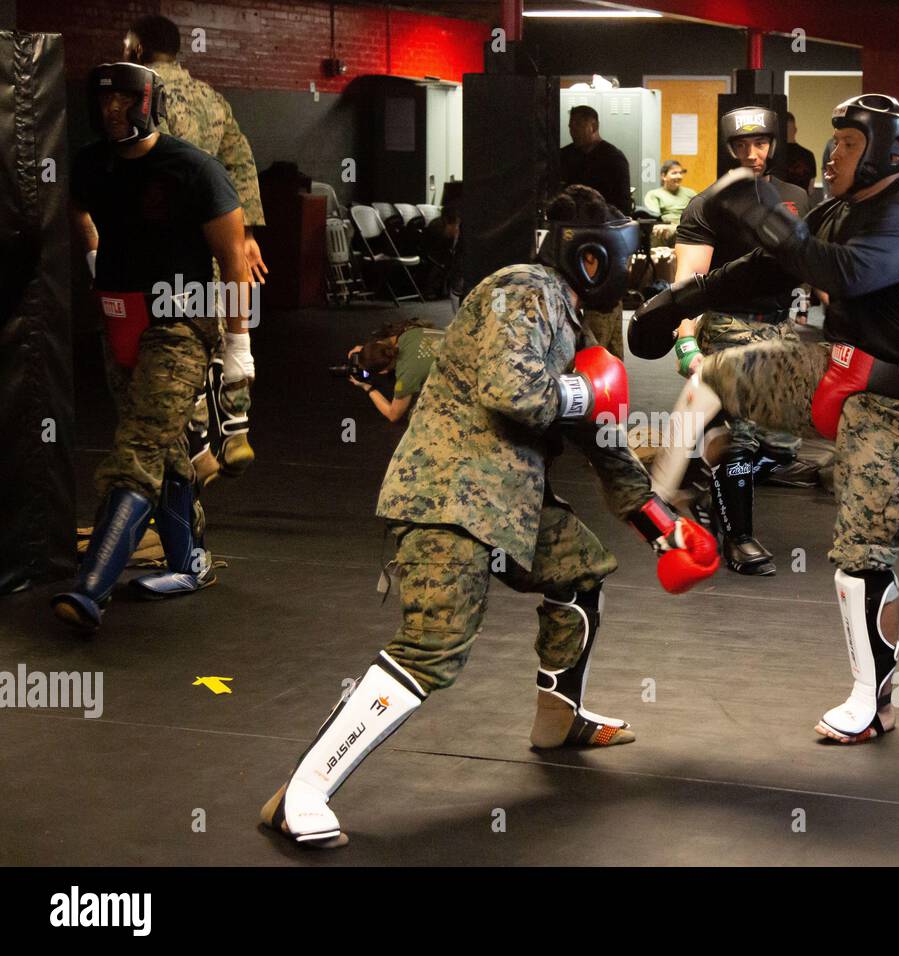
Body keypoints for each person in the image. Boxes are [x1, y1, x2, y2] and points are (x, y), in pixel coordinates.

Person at [260, 186, 719, 848]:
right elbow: (516, 392)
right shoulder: (522, 289)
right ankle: (300, 792)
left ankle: (558, 721)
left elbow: (602, 436)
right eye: (626, 258)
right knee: (432, 647)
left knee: (579, 572)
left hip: (511, 502)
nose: (633, 273)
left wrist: (661, 526)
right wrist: (587, 389)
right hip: (448, 498)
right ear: (593, 258)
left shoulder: (573, 319)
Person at [630, 94, 899, 744]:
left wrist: (759, 213)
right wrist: (677, 302)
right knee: (714, 374)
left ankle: (874, 704)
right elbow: (770, 263)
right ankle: (658, 511)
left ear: (887, 154)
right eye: (833, 140)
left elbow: (838, 270)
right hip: (838, 371)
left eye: (848, 143)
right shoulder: (840, 208)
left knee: (859, 557)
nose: (832, 153)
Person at [52, 62, 253, 629]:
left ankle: (91, 589)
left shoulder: (193, 169)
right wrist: (95, 257)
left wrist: (239, 345)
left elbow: (235, 261)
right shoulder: (93, 164)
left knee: (137, 448)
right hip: (119, 316)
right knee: (163, 446)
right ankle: (191, 561)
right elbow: (79, 207)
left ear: (148, 102)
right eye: (104, 102)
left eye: (123, 101)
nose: (112, 111)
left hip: (180, 321)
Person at [124, 14, 266, 485]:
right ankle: (238, 427)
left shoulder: (138, 98)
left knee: (174, 349)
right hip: (217, 245)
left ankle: (199, 447)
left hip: (166, 251)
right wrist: (245, 236)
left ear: (138, 48)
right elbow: (239, 164)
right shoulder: (213, 100)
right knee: (225, 336)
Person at [670, 106, 810, 577]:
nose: (753, 153)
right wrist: (687, 344)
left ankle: (710, 489)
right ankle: (740, 538)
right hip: (728, 327)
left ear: (774, 144)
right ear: (728, 149)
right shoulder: (708, 203)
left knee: (784, 447)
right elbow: (686, 284)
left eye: (761, 143)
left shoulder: (795, 198)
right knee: (741, 439)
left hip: (780, 328)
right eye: (741, 146)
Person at [560, 105, 633, 359]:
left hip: (604, 239)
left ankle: (602, 361)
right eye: (570, 126)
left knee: (603, 304)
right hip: (570, 238)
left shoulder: (613, 158)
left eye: (576, 125)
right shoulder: (565, 157)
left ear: (592, 125)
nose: (571, 131)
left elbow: (622, 205)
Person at [347, 320, 440, 422]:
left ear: (383, 372)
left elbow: (393, 415)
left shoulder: (406, 376)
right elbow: (384, 344)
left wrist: (367, 387)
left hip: (458, 371)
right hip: (454, 343)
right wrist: (367, 350)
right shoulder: (407, 333)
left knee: (416, 415)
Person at [644, 160, 696, 248]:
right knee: (658, 230)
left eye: (680, 173)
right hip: (665, 227)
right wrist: (667, 226)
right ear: (664, 176)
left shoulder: (690, 194)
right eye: (674, 173)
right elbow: (654, 219)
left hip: (686, 228)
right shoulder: (654, 194)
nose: (679, 176)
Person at [775, 111, 817, 194]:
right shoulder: (808, 155)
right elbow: (811, 189)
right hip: (800, 202)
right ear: (795, 130)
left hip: (779, 202)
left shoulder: (774, 155)